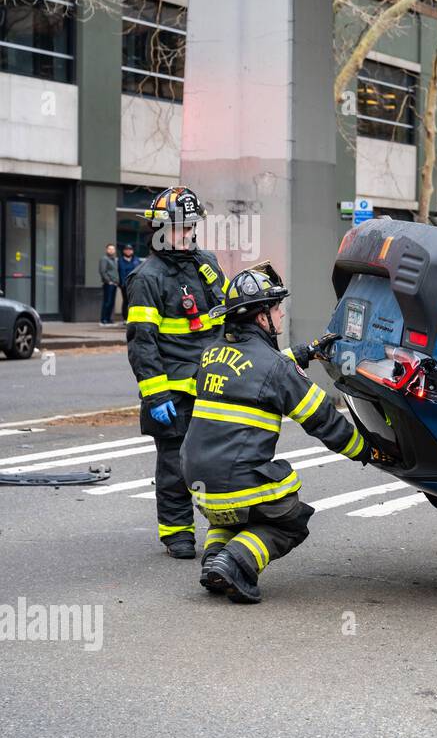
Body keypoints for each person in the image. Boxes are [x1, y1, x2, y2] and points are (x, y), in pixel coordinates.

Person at [183, 264, 371, 603]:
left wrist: (303, 353)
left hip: (199, 483)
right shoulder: (275, 369)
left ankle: (215, 562)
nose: (281, 313)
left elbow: (254, 369)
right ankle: (236, 561)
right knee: (290, 520)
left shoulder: (211, 354)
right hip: (235, 482)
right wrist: (367, 451)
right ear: (260, 318)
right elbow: (323, 420)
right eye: (275, 307)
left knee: (233, 515)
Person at [125, 187, 228, 559]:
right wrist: (155, 395)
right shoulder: (146, 278)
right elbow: (142, 342)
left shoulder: (207, 264)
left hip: (213, 385)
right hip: (172, 393)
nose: (186, 235)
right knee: (173, 465)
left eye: (190, 227)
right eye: (178, 228)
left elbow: (226, 318)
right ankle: (177, 534)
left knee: (217, 461)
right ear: (159, 230)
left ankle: (225, 527)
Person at [117, 245, 141, 321]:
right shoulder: (120, 261)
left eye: (130, 249)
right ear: (123, 251)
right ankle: (125, 318)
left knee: (135, 301)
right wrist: (120, 283)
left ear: (132, 251)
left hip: (135, 284)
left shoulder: (136, 260)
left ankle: (134, 318)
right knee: (126, 301)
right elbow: (117, 272)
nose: (128, 251)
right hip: (124, 285)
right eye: (126, 249)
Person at [98, 244, 119, 326]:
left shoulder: (114, 259)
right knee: (107, 301)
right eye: (109, 249)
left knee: (111, 302)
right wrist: (108, 281)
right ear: (106, 250)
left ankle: (108, 319)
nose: (111, 250)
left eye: (113, 249)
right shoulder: (104, 259)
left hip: (114, 284)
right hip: (108, 284)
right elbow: (102, 271)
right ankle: (103, 320)